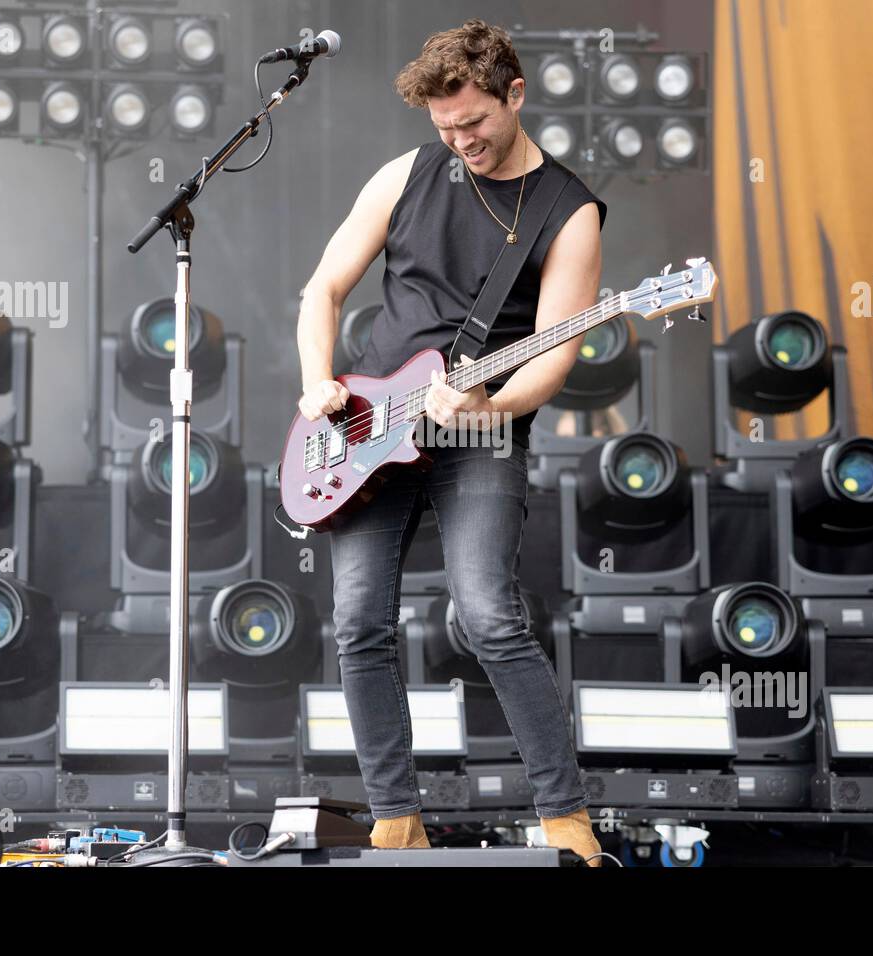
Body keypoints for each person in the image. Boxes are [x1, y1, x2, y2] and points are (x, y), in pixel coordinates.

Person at [294, 18, 606, 866]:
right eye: (445, 130)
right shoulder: (407, 172)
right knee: (359, 624)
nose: (461, 142)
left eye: (474, 124)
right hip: (367, 429)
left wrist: (485, 403)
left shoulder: (568, 213)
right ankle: (396, 818)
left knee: (490, 617)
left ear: (516, 94)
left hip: (482, 434)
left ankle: (565, 818)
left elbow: (554, 360)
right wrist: (320, 380)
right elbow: (321, 287)